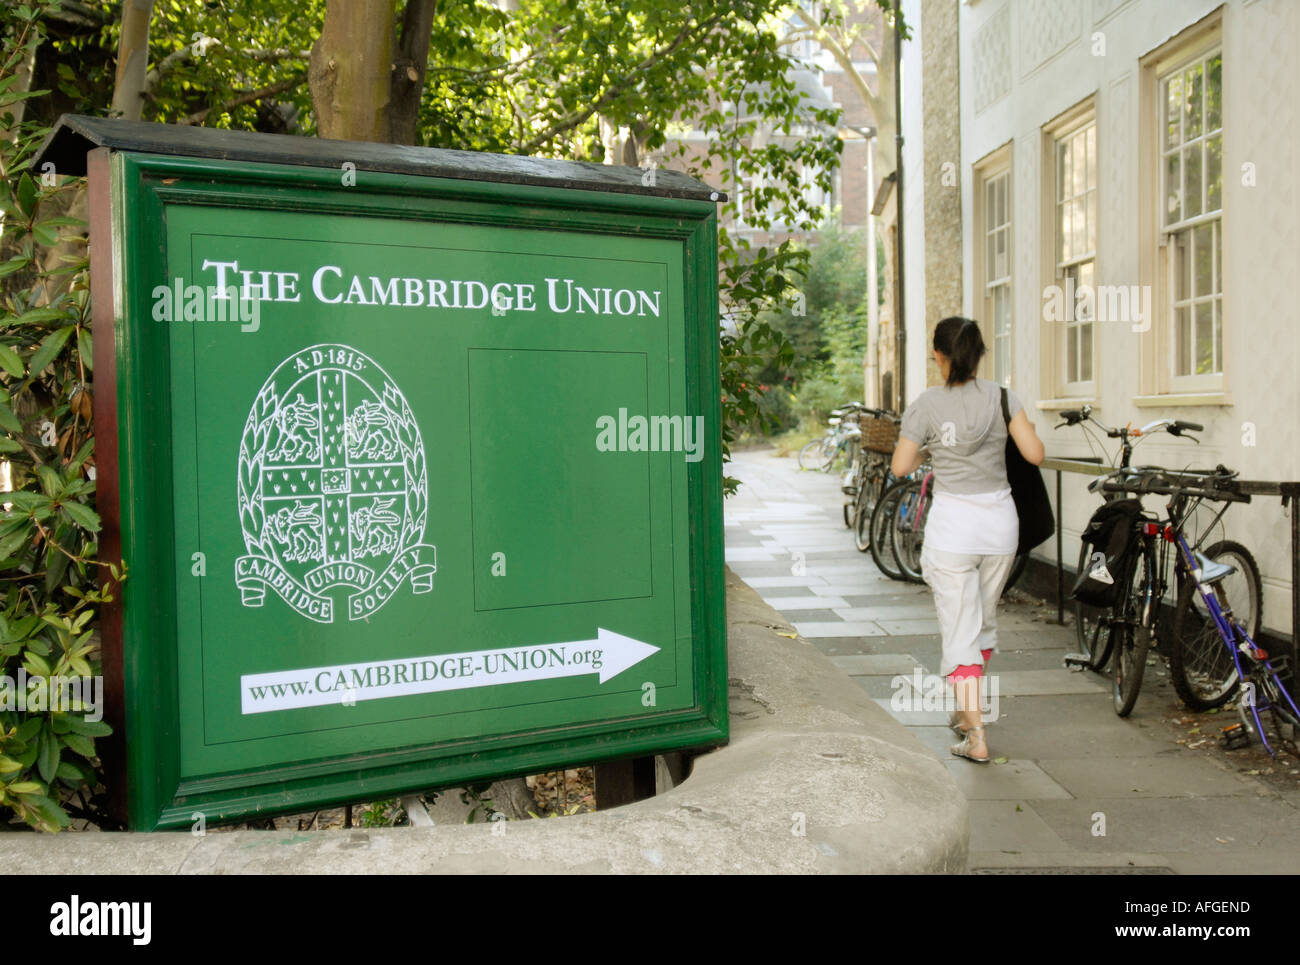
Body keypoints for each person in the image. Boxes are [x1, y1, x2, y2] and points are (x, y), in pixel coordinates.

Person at [890, 317, 1044, 762]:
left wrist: (932, 446)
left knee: (960, 628)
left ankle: (975, 735)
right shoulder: (1002, 397)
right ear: (978, 356)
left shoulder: (927, 405)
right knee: (982, 623)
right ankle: (964, 711)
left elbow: (901, 467)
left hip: (953, 530)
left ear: (939, 356)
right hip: (999, 528)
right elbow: (1034, 454)